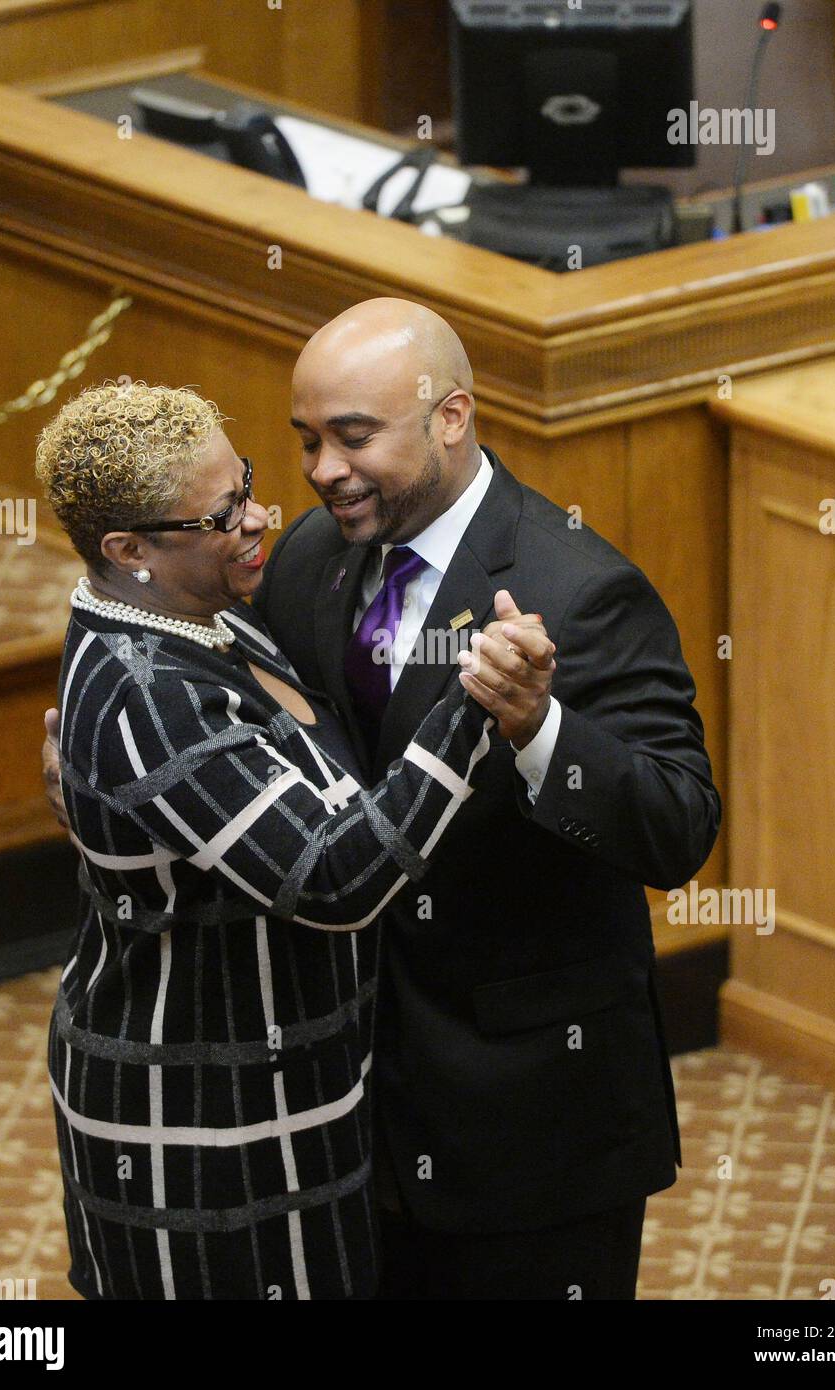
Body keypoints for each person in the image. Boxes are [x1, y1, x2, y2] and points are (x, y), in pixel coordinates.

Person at [35, 379, 554, 1300]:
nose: (257, 518)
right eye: (220, 515)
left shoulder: (213, 616)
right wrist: (477, 702)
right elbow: (334, 879)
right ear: (128, 550)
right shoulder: (150, 692)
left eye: (243, 485)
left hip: (287, 1090)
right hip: (200, 1124)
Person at [255, 298, 723, 1299]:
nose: (324, 469)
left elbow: (680, 825)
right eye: (307, 440)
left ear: (452, 417)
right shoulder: (308, 559)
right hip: (352, 1120)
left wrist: (540, 729)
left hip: (532, 1127)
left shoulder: (580, 586)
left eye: (353, 437)